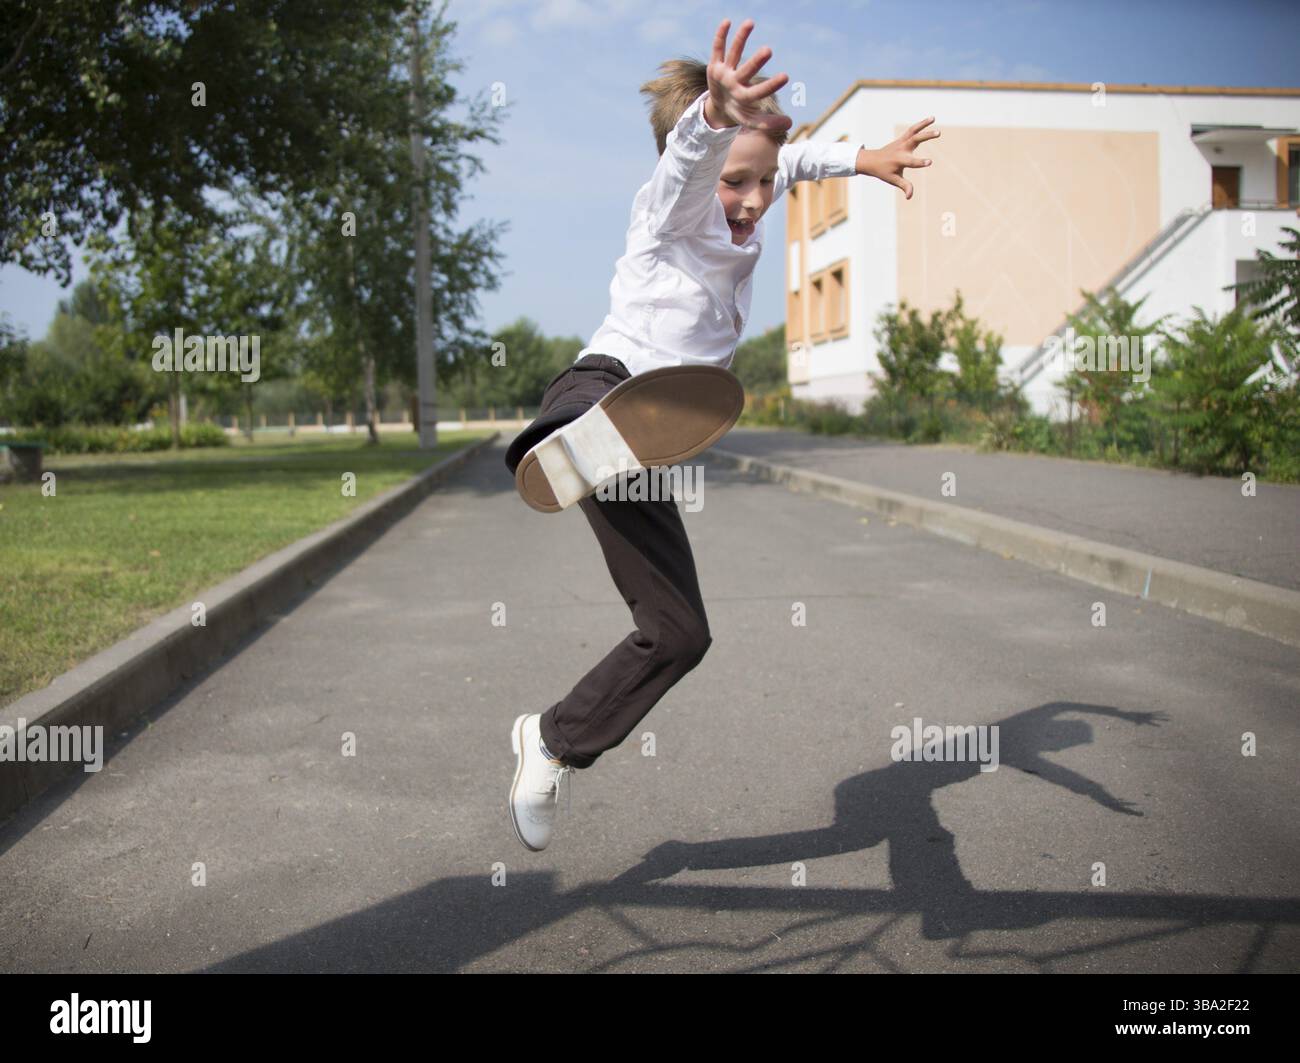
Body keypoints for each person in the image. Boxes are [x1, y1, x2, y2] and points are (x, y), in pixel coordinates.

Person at [507, 17, 939, 852]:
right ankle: (552, 442)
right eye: (734, 183)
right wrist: (712, 115)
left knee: (680, 633)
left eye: (762, 184)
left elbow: (789, 158)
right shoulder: (667, 210)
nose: (749, 203)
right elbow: (697, 160)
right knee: (586, 408)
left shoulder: (762, 178)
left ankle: (552, 738)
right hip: (608, 384)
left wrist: (863, 160)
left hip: (652, 434)